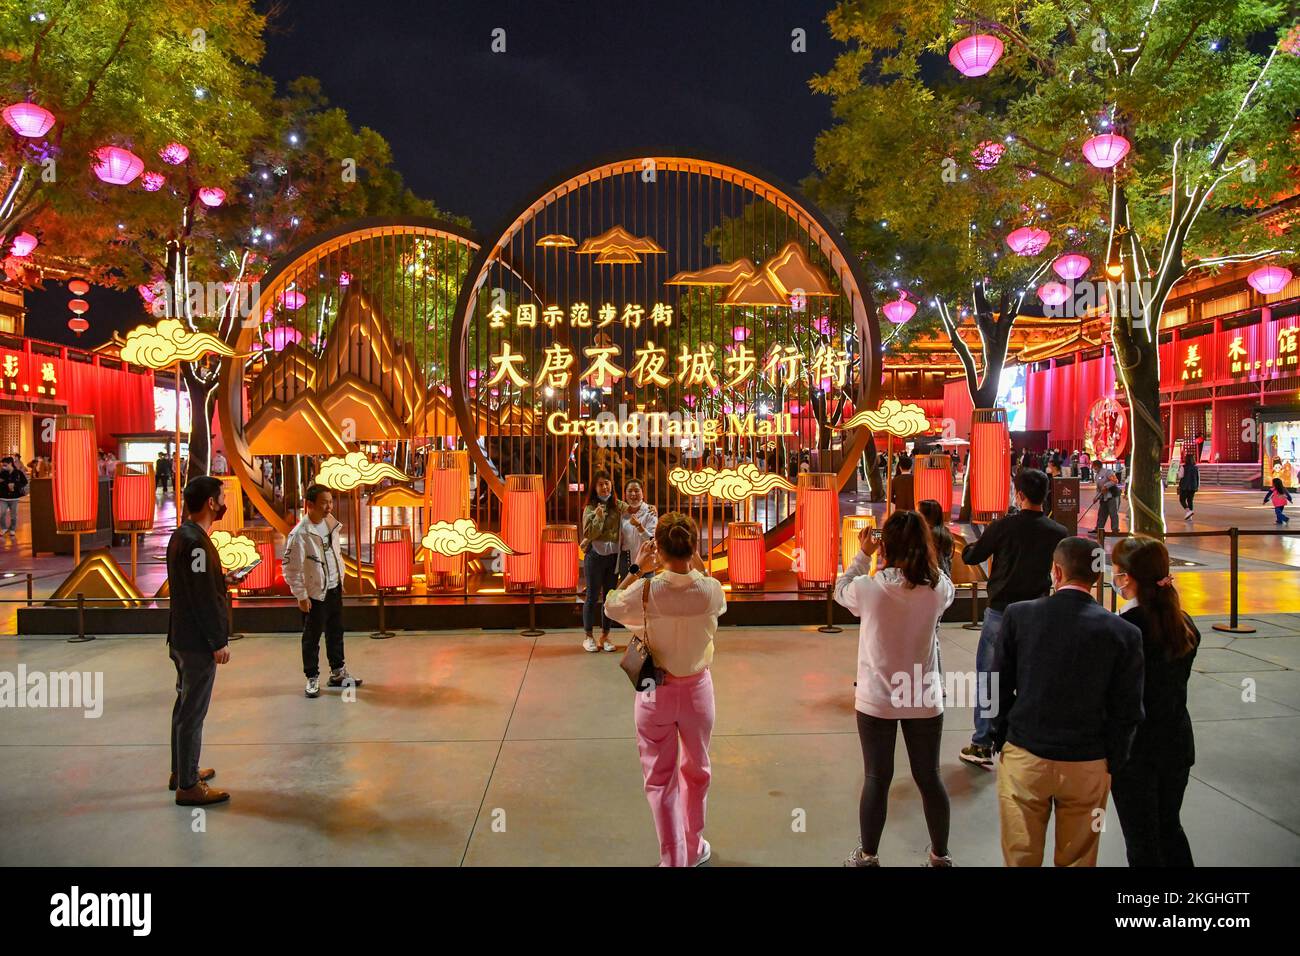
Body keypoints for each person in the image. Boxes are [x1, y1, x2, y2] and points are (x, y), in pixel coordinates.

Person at [991, 536, 1144, 866]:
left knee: (1020, 852)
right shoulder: (1123, 632)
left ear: (1056, 572)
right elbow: (1128, 707)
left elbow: (996, 684)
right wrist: (1112, 759)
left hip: (1026, 754)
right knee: (1080, 855)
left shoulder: (1019, 616)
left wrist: (999, 735)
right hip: (1088, 761)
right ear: (1098, 577)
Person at [603, 513, 725, 867]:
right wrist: (694, 558)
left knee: (660, 779)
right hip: (698, 692)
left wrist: (638, 567)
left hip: (655, 692)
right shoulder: (710, 592)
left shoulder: (645, 591)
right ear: (692, 547)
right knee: (697, 770)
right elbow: (704, 581)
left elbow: (610, 605)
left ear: (657, 549)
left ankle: (673, 859)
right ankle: (693, 843)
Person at [835, 512, 956, 867]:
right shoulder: (938, 590)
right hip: (923, 695)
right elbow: (941, 582)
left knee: (877, 776)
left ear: (884, 544)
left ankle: (868, 855)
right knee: (929, 776)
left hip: (877, 698)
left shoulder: (870, 589)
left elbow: (841, 588)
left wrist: (863, 554)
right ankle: (940, 855)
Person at [959, 469, 1066, 767]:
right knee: (1031, 674)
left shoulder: (1002, 526)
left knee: (989, 677)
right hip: (1038, 611)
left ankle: (982, 741)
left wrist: (971, 543)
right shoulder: (1058, 532)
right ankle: (1028, 740)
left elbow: (972, 557)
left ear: (1019, 495)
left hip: (1001, 610)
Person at [1110, 536, 1199, 867]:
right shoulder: (1183, 624)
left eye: (1117, 570)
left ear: (1127, 578)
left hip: (1137, 753)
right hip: (1176, 744)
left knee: (1141, 840)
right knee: (1169, 827)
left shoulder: (1122, 630)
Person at [166, 476, 234, 806]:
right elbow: (201, 597)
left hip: (181, 638)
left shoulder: (183, 536)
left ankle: (182, 770)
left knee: (184, 707)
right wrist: (216, 640)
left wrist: (223, 578)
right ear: (210, 502)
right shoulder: (195, 543)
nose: (224, 503)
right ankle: (189, 786)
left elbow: (197, 585)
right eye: (221, 497)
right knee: (193, 712)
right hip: (196, 643)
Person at [284, 483, 362, 698]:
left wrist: (340, 579)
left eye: (330, 502)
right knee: (312, 637)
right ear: (309, 505)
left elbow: (334, 557)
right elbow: (291, 568)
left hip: (334, 588)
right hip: (315, 594)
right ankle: (312, 676)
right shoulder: (300, 534)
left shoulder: (331, 525)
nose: (328, 507)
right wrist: (300, 595)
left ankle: (338, 671)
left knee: (336, 631)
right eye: (323, 503)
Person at [580, 471, 624, 652]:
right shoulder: (590, 508)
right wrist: (598, 516)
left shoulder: (617, 506)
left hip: (613, 558)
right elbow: (589, 534)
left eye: (607, 483)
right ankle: (588, 636)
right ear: (594, 488)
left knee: (609, 598)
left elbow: (635, 509)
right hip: (595, 557)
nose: (604, 487)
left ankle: (605, 636)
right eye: (600, 484)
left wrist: (650, 508)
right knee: (591, 597)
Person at [618, 479, 658, 575]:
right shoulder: (622, 513)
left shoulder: (650, 512)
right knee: (627, 590)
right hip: (626, 560)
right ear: (625, 494)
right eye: (630, 491)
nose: (633, 494)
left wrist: (639, 526)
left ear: (643, 493)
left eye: (636, 491)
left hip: (646, 560)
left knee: (646, 589)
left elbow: (652, 540)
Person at [917, 498, 953, 577]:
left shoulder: (930, 535)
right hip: (944, 578)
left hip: (933, 579)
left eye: (919, 512)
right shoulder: (945, 532)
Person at [0, 456, 27, 537]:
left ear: (10, 464)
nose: (3, 467)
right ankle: (4, 528)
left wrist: (15, 485)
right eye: (2, 465)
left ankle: (12, 529)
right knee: (1, 513)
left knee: (13, 515)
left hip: (14, 498)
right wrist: (5, 484)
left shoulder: (18, 473)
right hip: (3, 497)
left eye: (5, 465)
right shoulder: (2, 473)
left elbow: (24, 482)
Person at [1093, 468, 1121, 534]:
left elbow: (1115, 481)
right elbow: (1098, 489)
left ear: (1096, 466)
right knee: (1101, 514)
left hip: (1112, 496)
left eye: (1093, 467)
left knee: (1113, 513)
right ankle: (1099, 528)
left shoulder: (1108, 472)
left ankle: (1115, 529)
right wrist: (1096, 497)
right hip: (1103, 497)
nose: (1093, 469)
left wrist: (1106, 486)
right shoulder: (1097, 476)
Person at [1177, 453, 1199, 520]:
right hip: (1193, 486)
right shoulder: (1196, 468)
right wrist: (1197, 486)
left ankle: (1188, 511)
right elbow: (1198, 477)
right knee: (1190, 500)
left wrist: (1177, 473)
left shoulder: (1183, 467)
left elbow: (1180, 476)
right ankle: (1190, 517)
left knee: (1182, 500)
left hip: (1184, 486)